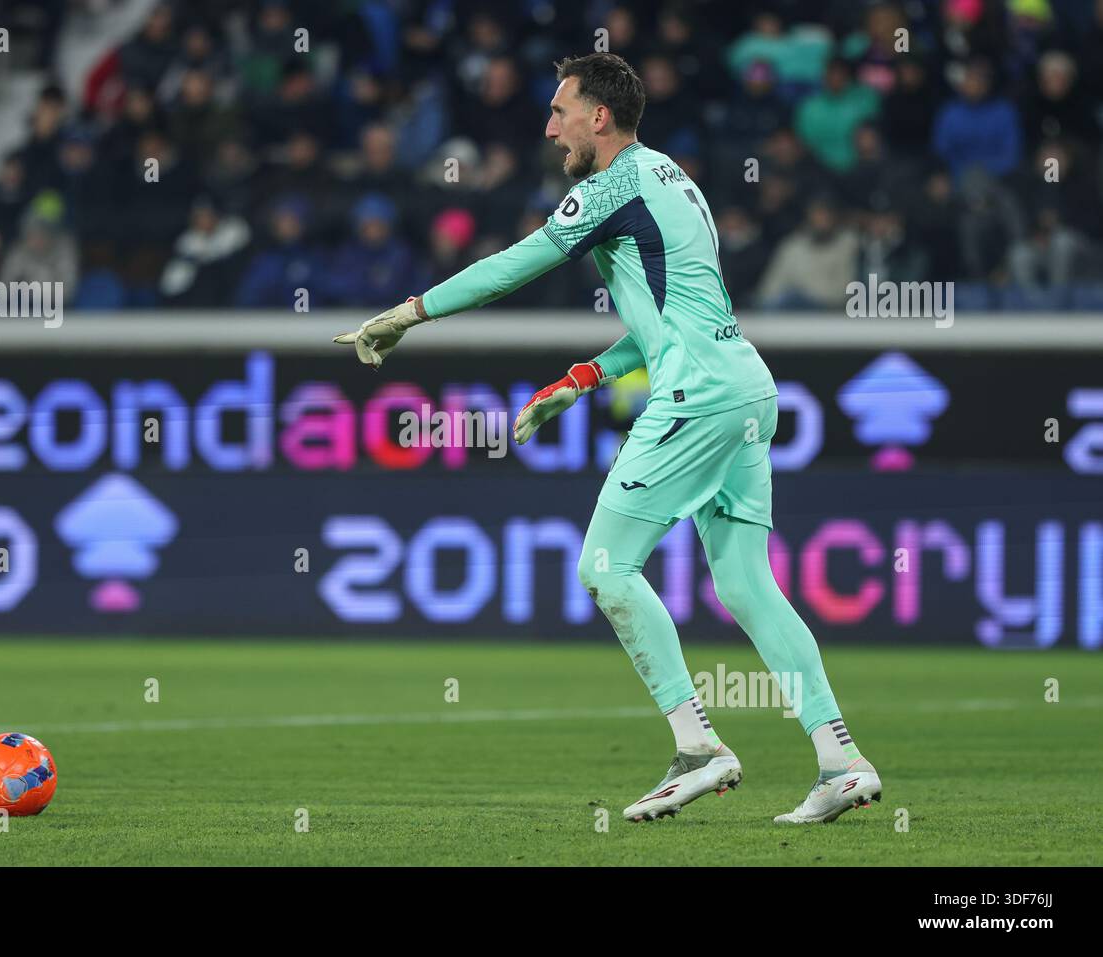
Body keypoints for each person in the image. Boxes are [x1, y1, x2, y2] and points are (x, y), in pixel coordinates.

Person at [333, 52, 880, 826]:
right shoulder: (674, 181)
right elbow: (665, 322)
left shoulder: (612, 186)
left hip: (700, 394)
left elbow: (514, 263)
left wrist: (408, 313)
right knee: (748, 587)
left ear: (600, 116)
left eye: (561, 111)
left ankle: (698, 748)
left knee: (603, 565)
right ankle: (840, 759)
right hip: (748, 390)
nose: (550, 127)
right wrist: (583, 378)